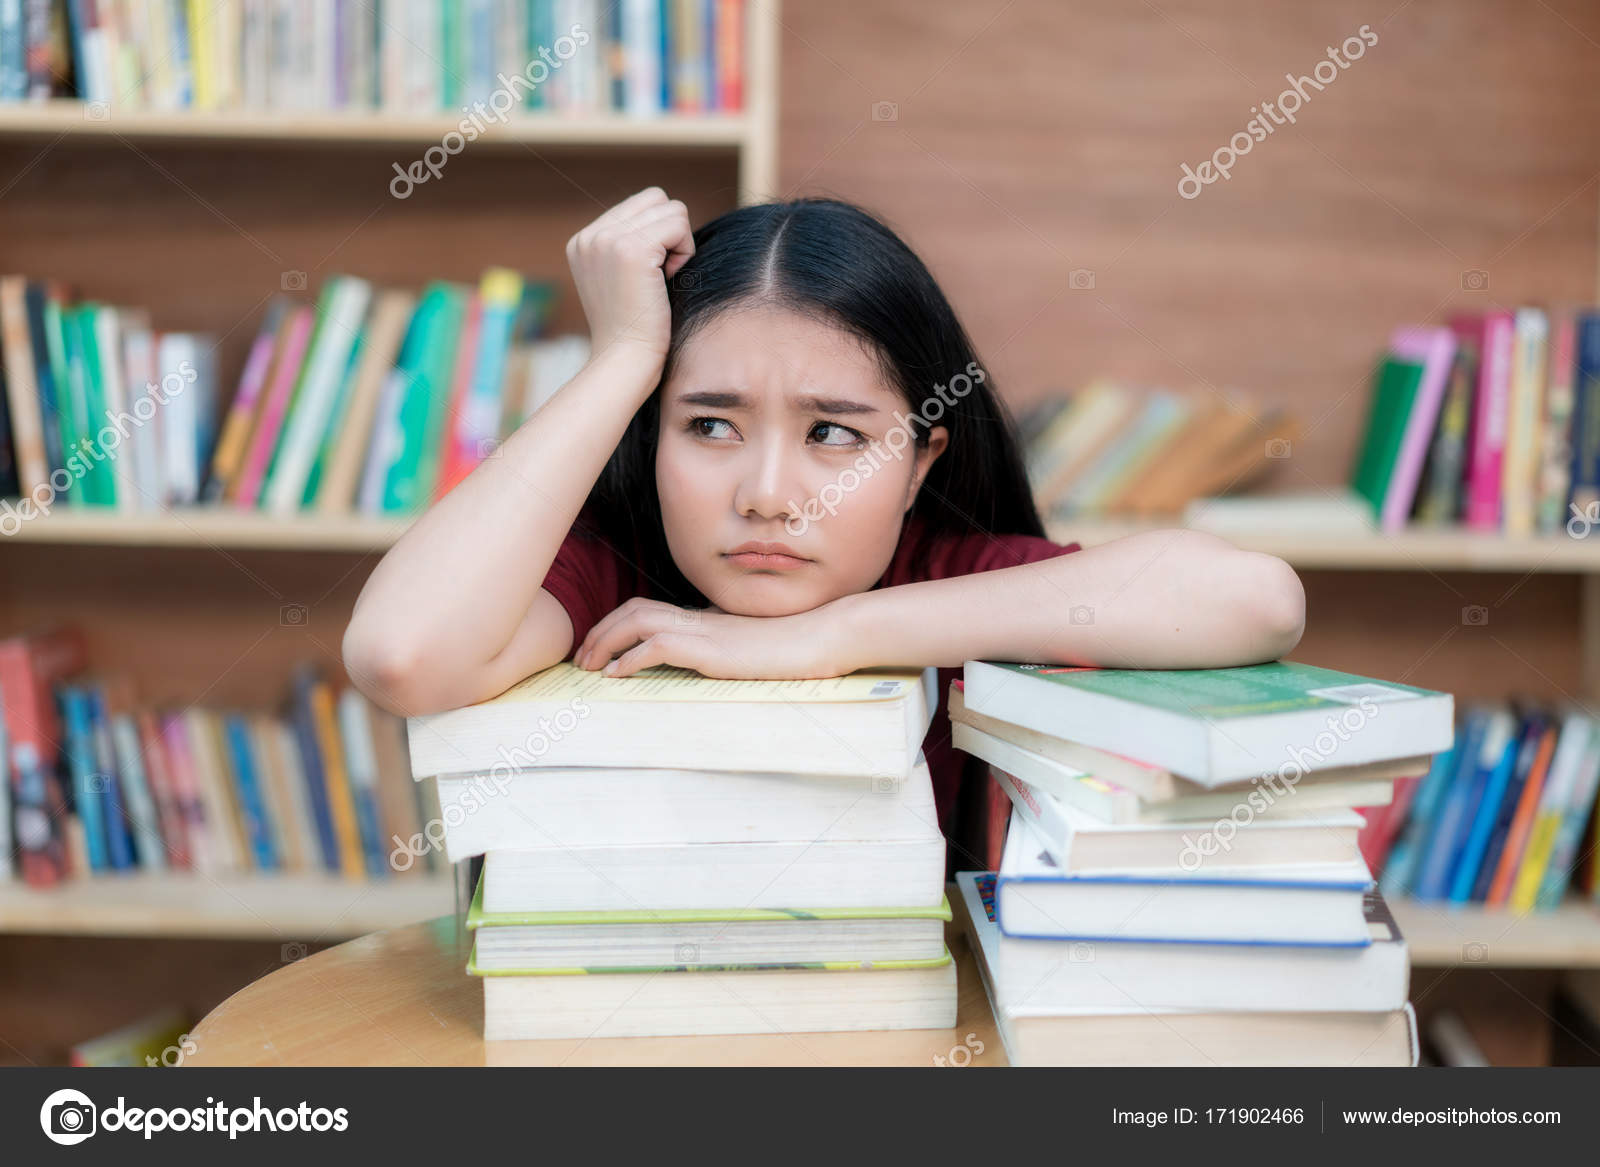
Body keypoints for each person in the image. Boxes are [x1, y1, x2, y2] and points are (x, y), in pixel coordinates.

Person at [344, 187, 1305, 870]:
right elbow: (403, 654)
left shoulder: (945, 577)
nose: (768, 495)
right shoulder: (620, 574)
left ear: (923, 459)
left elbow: (1256, 600)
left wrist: (827, 637)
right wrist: (623, 355)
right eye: (709, 424)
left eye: (834, 434)